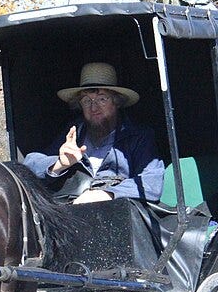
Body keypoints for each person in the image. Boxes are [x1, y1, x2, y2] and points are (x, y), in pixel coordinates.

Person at [23, 62, 164, 204]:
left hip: (121, 213)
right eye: (86, 101)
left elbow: (152, 183)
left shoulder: (138, 136)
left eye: (102, 99)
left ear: (117, 102)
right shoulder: (73, 134)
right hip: (73, 212)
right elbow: (28, 167)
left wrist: (107, 194)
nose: (93, 107)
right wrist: (59, 164)